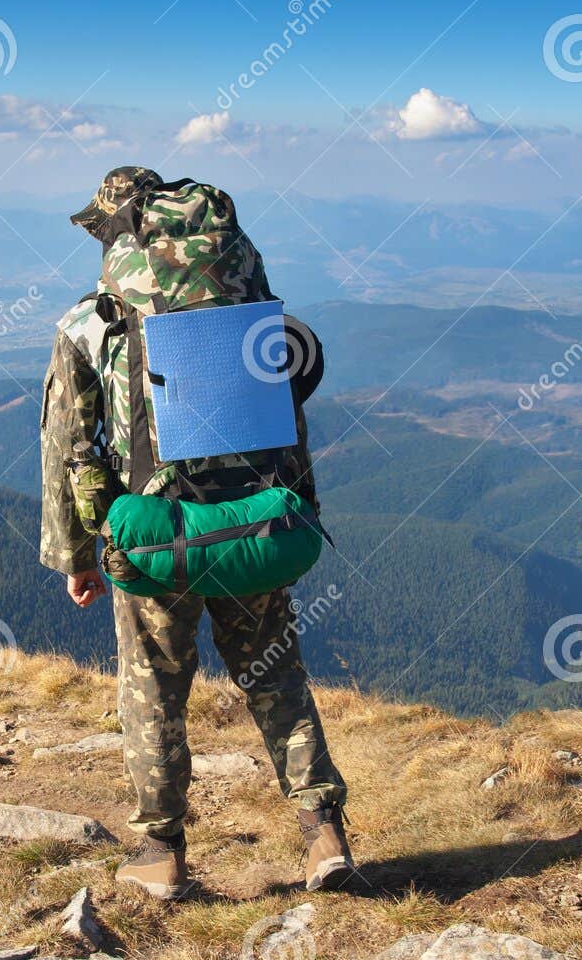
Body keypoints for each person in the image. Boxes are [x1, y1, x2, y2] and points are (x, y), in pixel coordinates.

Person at [38, 166, 354, 899]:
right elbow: (287, 411)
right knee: (275, 674)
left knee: (154, 687)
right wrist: (299, 504)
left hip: (154, 534)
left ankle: (162, 851)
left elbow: (65, 440)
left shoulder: (92, 320)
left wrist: (76, 556)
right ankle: (323, 832)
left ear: (115, 230)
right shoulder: (244, 301)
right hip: (255, 520)